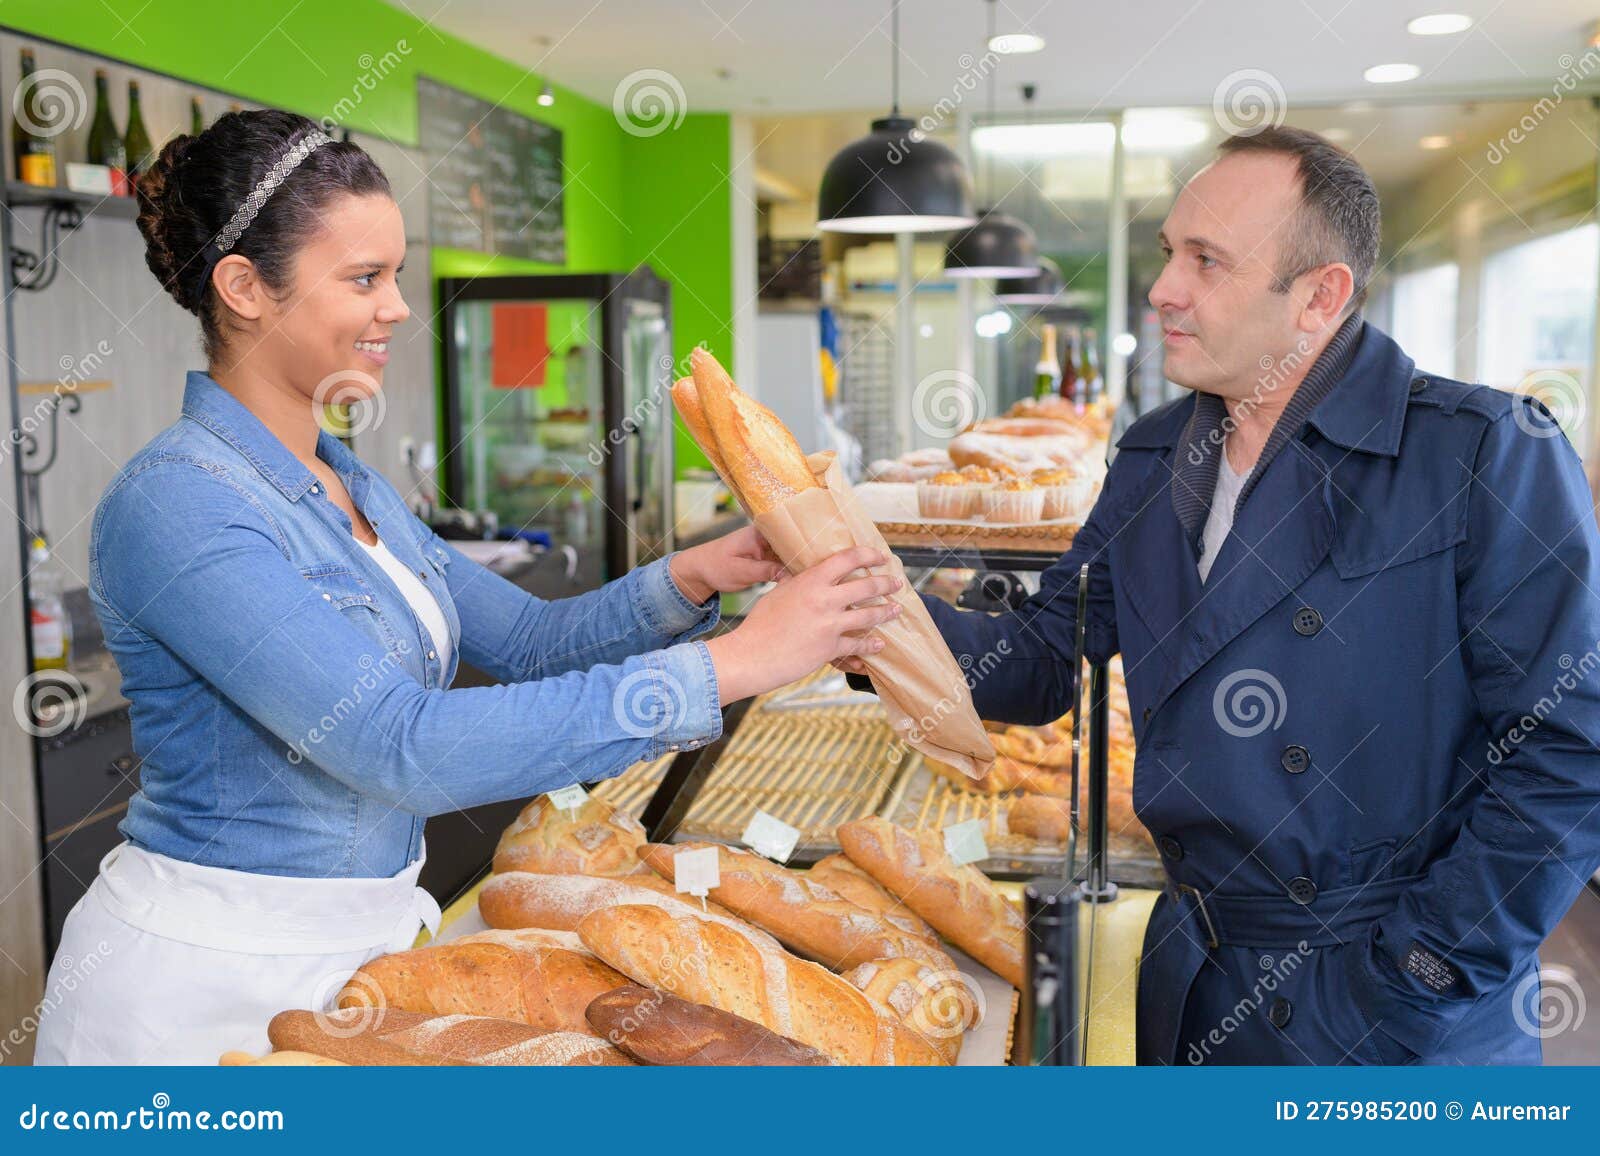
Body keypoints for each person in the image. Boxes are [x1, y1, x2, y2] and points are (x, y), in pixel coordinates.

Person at [34, 109, 903, 1065]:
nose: (399, 307)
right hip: (205, 986)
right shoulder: (177, 504)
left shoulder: (351, 485)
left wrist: (695, 574)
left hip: (364, 959)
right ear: (243, 287)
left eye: (394, 274)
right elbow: (395, 745)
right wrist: (732, 663)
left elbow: (530, 643)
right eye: (365, 278)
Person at [850, 126, 1600, 1064]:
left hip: (1388, 1018)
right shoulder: (1155, 453)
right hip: (1200, 980)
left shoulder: (1481, 451)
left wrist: (1424, 970)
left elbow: (1571, 754)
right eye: (1170, 253)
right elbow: (1040, 662)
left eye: (1207, 261)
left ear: (1319, 298)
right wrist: (865, 611)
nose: (1164, 289)